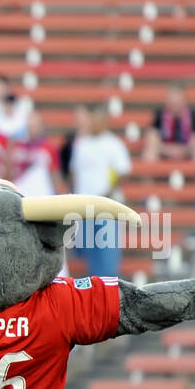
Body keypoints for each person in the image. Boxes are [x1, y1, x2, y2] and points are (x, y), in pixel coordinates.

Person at [68, 106, 131, 278]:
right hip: (84, 207)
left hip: (107, 208)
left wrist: (107, 192)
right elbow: (75, 170)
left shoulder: (113, 144)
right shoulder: (81, 143)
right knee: (88, 253)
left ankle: (109, 293)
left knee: (107, 254)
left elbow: (123, 171)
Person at [142, 83, 195, 162]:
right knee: (149, 154)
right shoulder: (160, 113)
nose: (175, 102)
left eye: (178, 98)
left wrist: (181, 150)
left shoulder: (192, 114)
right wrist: (169, 150)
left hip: (186, 151)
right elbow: (152, 138)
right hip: (164, 151)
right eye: (173, 99)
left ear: (184, 100)